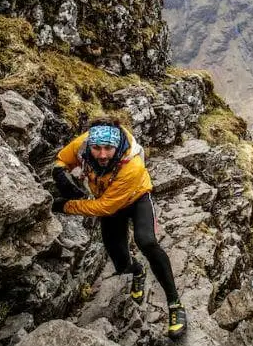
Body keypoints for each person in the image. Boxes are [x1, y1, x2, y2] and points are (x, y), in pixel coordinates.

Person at [50, 116, 187, 339]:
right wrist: (59, 174)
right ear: (89, 143)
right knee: (117, 254)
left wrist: (65, 205)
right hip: (109, 199)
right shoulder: (83, 144)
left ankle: (174, 304)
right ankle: (136, 271)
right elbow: (62, 159)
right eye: (96, 148)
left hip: (136, 199)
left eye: (108, 149)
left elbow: (104, 207)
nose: (102, 155)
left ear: (118, 146)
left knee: (147, 242)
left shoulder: (131, 165)